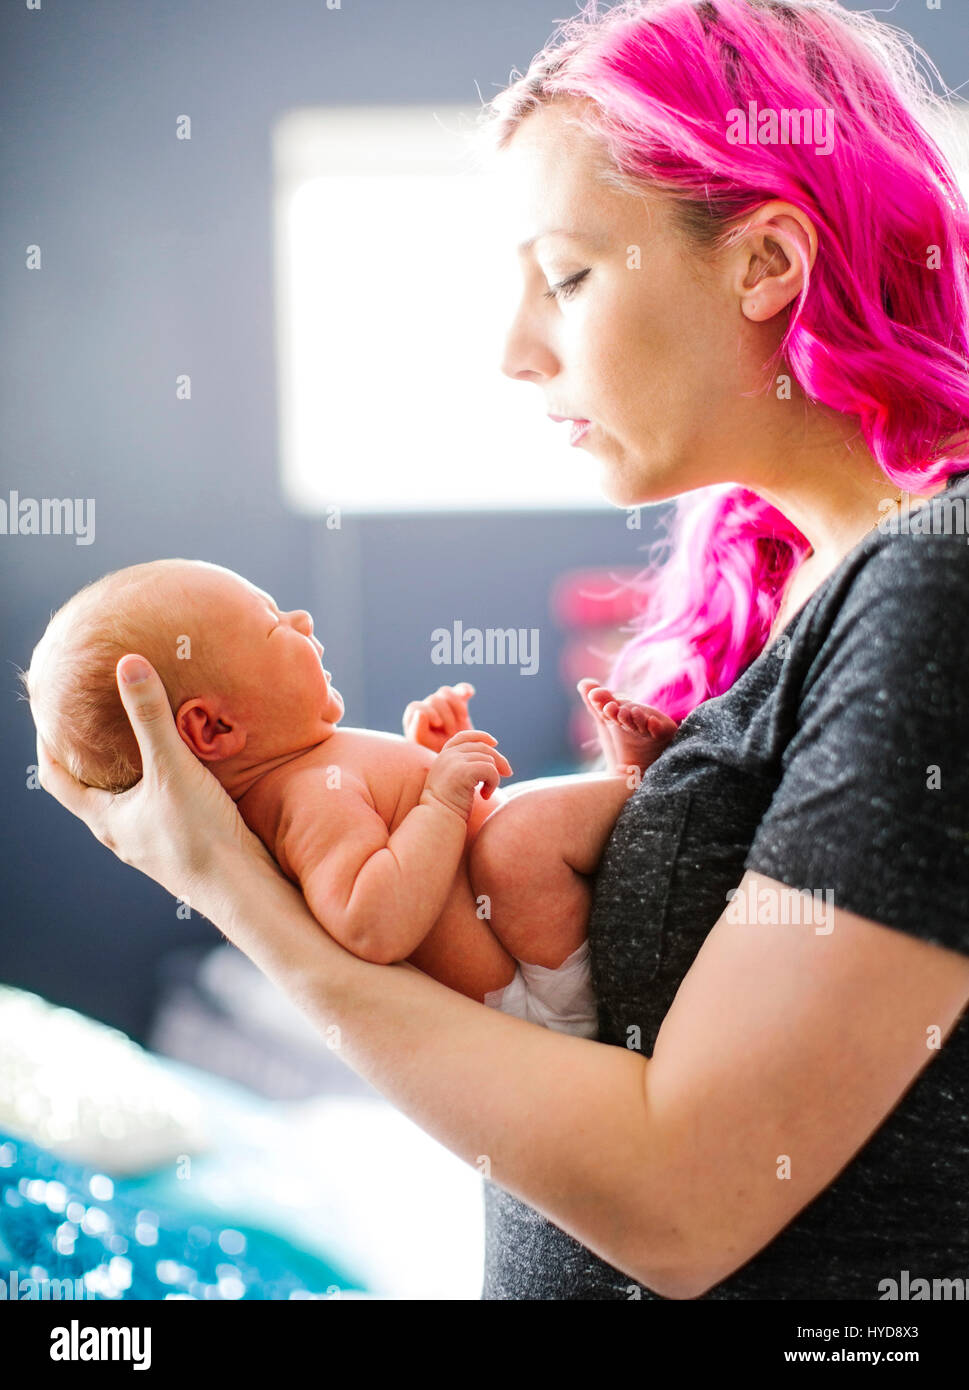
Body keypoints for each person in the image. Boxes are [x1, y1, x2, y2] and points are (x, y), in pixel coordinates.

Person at [36, 0, 969, 1299]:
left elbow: (692, 1200)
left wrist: (240, 896)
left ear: (764, 263)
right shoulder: (805, 591)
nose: (513, 350)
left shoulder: (934, 588)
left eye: (568, 276)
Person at [24, 557, 677, 1037]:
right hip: (539, 999)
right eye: (274, 624)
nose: (302, 619)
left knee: (513, 825)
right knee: (517, 839)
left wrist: (425, 758)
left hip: (519, 939)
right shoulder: (306, 800)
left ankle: (622, 784)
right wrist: (441, 801)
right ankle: (642, 791)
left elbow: (429, 862)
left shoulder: (315, 772)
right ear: (214, 727)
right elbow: (372, 922)